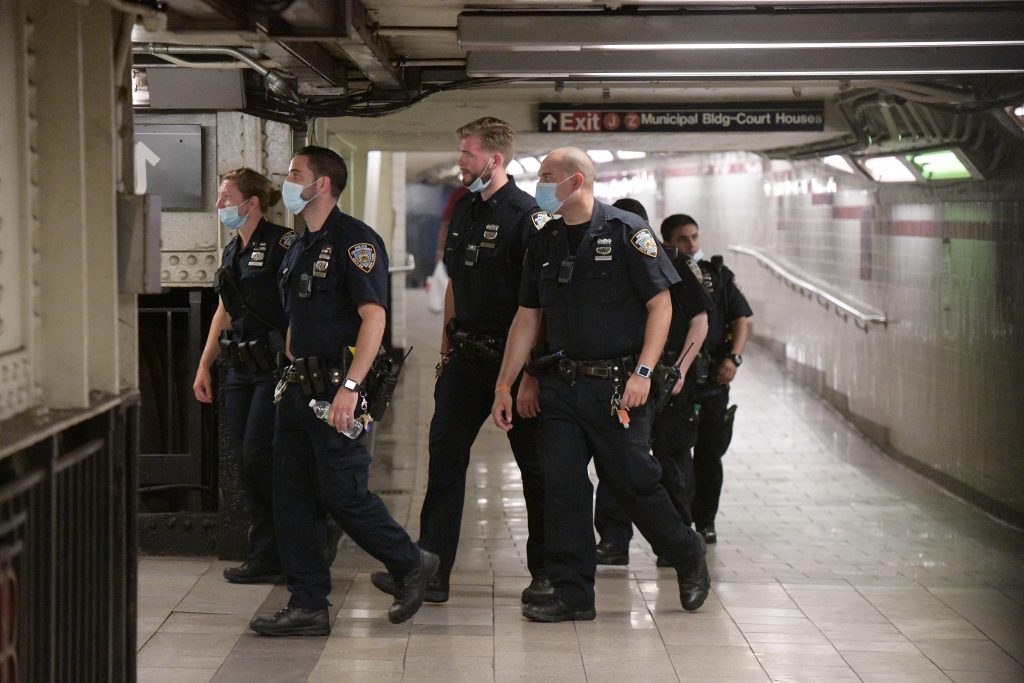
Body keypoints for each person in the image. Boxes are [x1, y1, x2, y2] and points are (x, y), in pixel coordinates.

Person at [491, 148, 710, 622]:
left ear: (575, 181)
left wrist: (644, 373)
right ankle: (573, 593)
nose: (539, 185)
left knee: (635, 482)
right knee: (563, 488)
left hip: (617, 387)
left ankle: (687, 553)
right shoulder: (544, 241)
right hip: (563, 386)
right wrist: (506, 384)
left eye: (547, 177)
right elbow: (528, 318)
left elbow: (661, 306)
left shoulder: (628, 233)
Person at [249, 146, 438, 636]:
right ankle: (308, 603)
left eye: (296, 174)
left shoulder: (357, 241)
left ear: (323, 184)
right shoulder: (296, 246)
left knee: (342, 494)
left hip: (337, 389)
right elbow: (296, 318)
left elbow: (374, 317)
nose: (288, 182)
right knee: (290, 498)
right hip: (296, 389)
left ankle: (411, 562)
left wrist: (352, 387)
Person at [370, 117, 553, 606]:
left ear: (493, 159)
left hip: (513, 366)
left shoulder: (528, 217)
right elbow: (454, 281)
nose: (460, 160)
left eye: (467, 153)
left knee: (534, 470)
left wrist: (530, 376)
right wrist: (447, 352)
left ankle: (547, 574)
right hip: (466, 361)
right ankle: (431, 572)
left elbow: (540, 307)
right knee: (445, 463)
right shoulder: (467, 208)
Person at [593, 203, 712, 566]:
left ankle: (676, 541)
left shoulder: (673, 263)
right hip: (626, 375)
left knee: (670, 461)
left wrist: (678, 370)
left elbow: (700, 321)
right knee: (621, 461)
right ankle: (614, 540)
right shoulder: (608, 261)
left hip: (667, 375)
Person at [192, 168, 296, 585]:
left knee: (261, 456)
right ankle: (264, 552)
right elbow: (224, 310)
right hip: (238, 368)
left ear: (251, 203)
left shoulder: (284, 244)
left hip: (274, 368)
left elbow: (298, 305)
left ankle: (278, 550)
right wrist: (204, 365)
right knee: (244, 459)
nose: (219, 206)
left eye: (225, 197)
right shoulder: (231, 250)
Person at [663, 214, 752, 544]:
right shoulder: (663, 273)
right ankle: (681, 523)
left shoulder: (718, 275)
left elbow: (741, 319)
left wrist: (734, 358)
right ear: (668, 242)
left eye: (695, 237)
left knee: (709, 455)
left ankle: (705, 521)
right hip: (678, 381)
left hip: (713, 379)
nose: (692, 245)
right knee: (675, 455)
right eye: (683, 239)